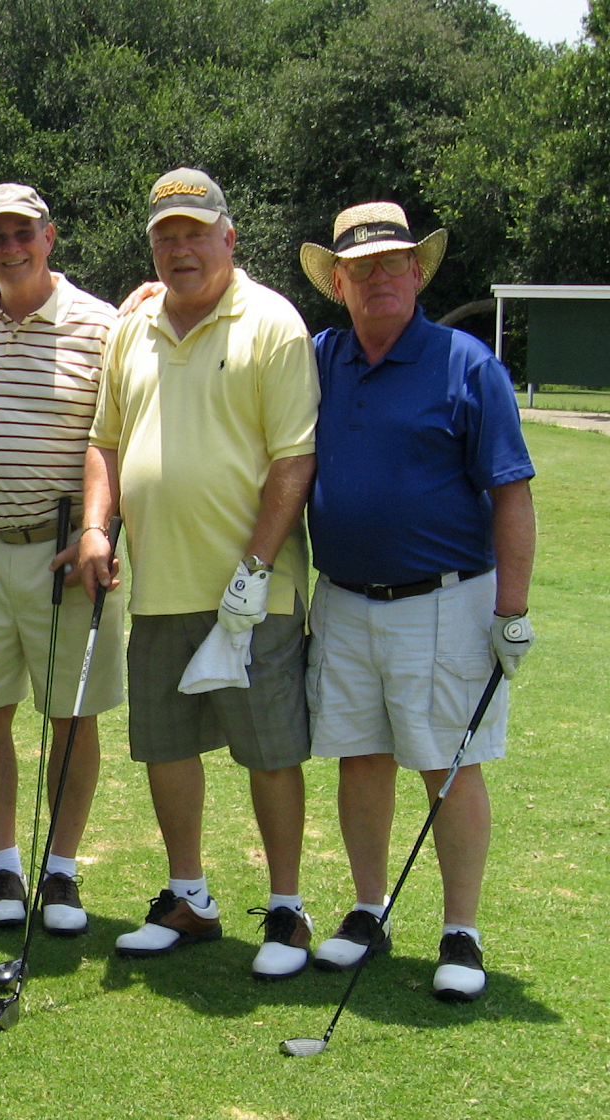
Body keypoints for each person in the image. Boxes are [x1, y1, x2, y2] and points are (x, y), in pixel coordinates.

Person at [66, 168, 320, 978]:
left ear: (228, 238)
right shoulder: (130, 329)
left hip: (254, 593)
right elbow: (103, 442)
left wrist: (255, 568)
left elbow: (294, 460)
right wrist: (97, 527)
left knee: (269, 751)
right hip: (161, 586)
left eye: (194, 233)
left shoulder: (271, 322)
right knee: (167, 749)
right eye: (164, 236)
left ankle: (285, 910)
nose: (180, 249)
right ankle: (189, 897)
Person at [298, 202, 535, 1001]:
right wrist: (150, 298)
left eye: (392, 264)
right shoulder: (322, 356)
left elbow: (511, 492)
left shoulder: (466, 363)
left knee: (448, 764)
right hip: (343, 600)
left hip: (445, 600)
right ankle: (368, 910)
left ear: (416, 273)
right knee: (360, 758)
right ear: (339, 282)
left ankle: (460, 931)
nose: (378, 278)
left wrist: (513, 608)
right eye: (361, 268)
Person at [0, 183, 125, 933]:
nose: (10, 248)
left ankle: (63, 871)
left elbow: (123, 442)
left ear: (50, 237)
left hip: (68, 551)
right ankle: (7, 866)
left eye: (23, 234)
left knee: (71, 718)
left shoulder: (104, 326)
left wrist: (100, 529)